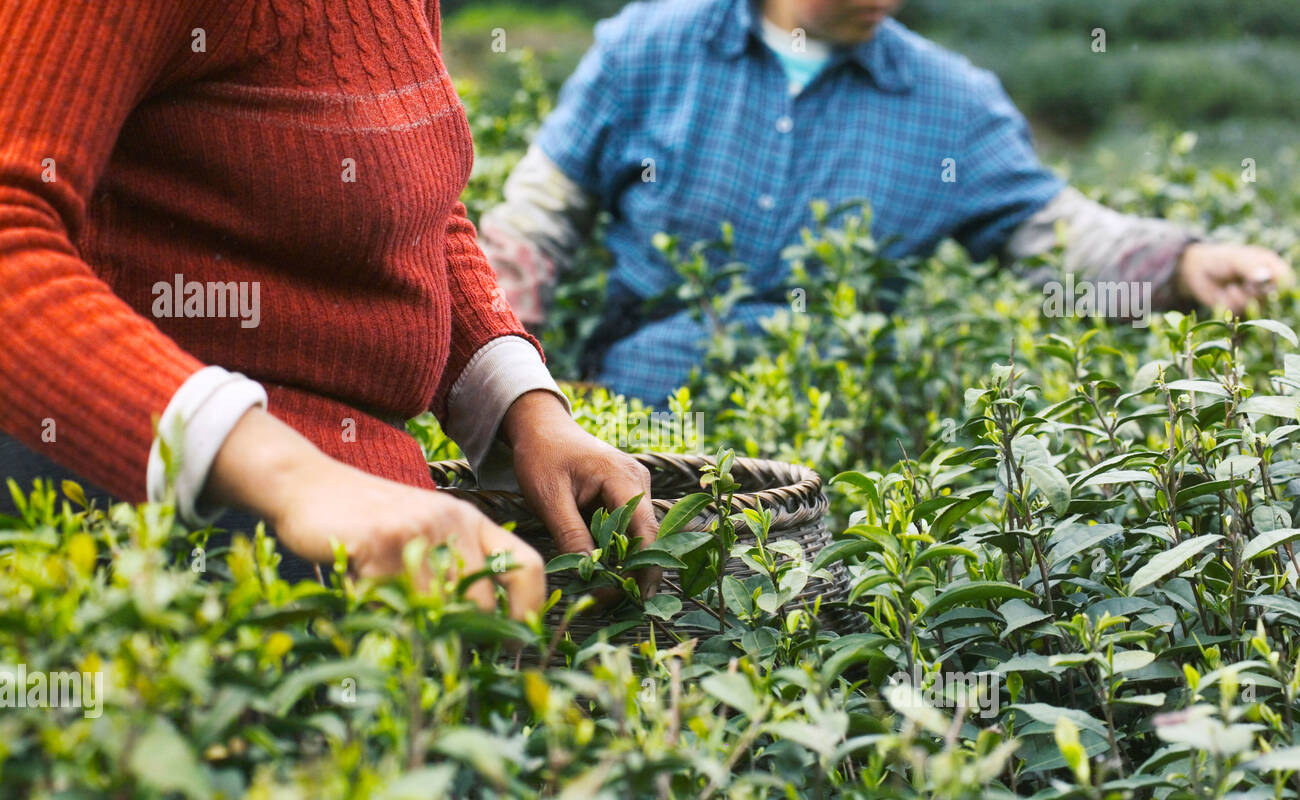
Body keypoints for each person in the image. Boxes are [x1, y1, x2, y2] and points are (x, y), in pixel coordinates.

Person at [0, 0, 658, 619]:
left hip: (383, 556)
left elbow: (406, 208)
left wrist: (522, 406)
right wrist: (296, 480)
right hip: (173, 552)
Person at [479, 0, 1295, 407]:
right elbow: (536, 225)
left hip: (839, 437)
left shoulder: (951, 101)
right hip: (639, 413)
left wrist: (1186, 266)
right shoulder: (648, 47)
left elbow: (1059, 237)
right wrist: (505, 385)